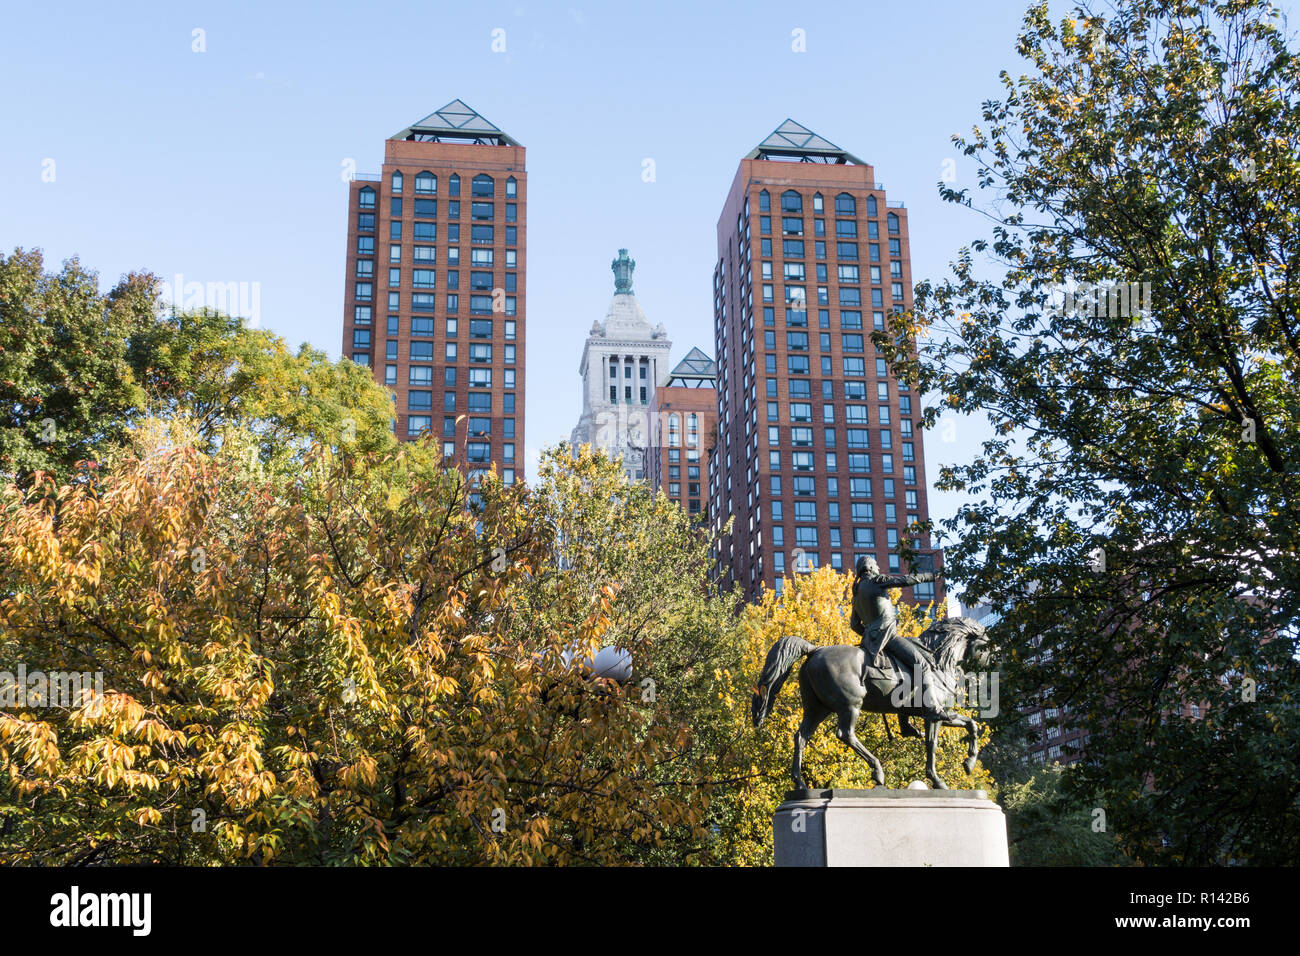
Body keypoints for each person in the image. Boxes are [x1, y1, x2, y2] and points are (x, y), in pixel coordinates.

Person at [849, 556, 941, 730]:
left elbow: (854, 625)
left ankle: (904, 723)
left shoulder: (857, 592)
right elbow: (906, 580)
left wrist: (871, 634)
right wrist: (933, 576)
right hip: (889, 637)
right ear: (869, 567)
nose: (878, 566)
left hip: (871, 641)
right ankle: (933, 708)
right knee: (922, 666)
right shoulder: (877, 581)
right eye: (876, 564)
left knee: (904, 673)